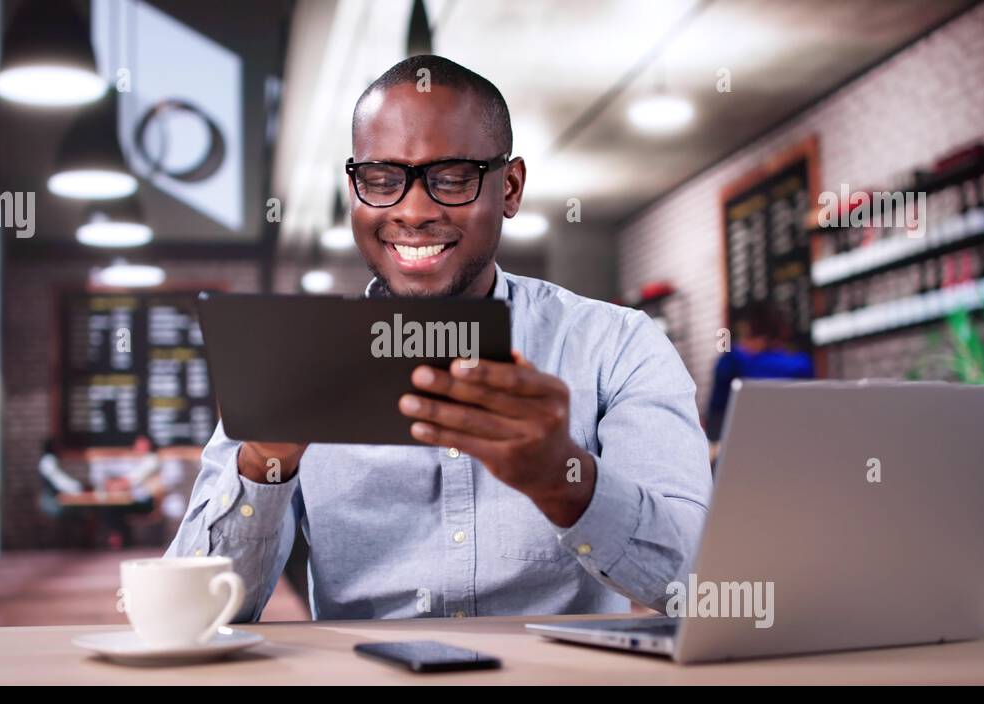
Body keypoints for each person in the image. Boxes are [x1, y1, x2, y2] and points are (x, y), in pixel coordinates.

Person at [166, 55, 712, 621]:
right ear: (354, 191)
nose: (413, 211)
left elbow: (691, 584)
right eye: (381, 180)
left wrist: (565, 482)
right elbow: (194, 616)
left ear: (510, 188)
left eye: (451, 179)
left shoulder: (616, 345)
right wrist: (261, 465)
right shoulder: (295, 360)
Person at [704, 301, 815, 458]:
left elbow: (715, 411)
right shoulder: (801, 363)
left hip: (739, 448)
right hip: (793, 446)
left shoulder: (733, 361)